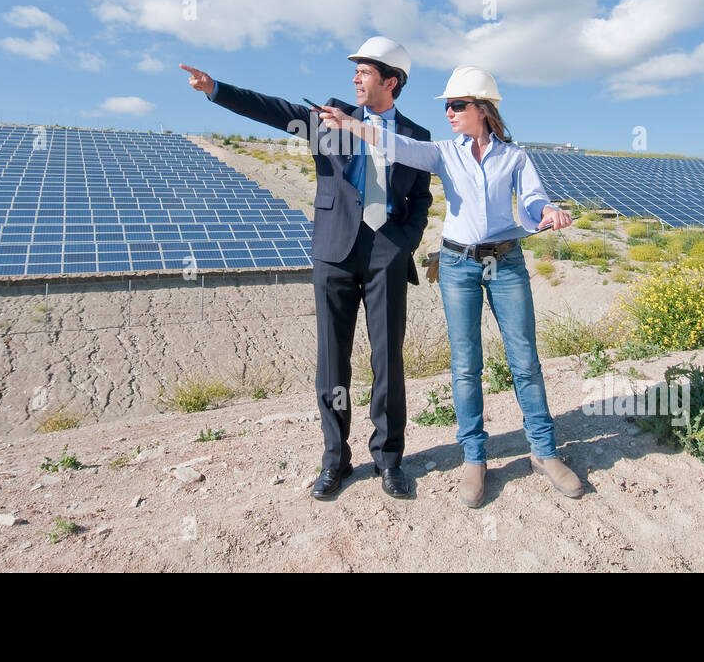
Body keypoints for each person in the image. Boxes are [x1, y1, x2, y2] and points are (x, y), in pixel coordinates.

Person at [317, 65, 584, 508]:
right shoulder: (443, 152)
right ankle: (474, 459)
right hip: (458, 265)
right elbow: (397, 144)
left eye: (458, 105)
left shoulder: (514, 157)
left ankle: (544, 453)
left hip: (507, 262)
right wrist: (352, 125)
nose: (449, 112)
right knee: (465, 365)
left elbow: (533, 198)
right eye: (447, 105)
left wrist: (548, 211)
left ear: (483, 109)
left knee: (525, 360)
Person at [181, 37, 432, 500]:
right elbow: (273, 110)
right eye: (354, 71)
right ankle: (335, 461)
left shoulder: (416, 137)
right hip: (334, 251)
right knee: (332, 362)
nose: (355, 78)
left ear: (391, 81)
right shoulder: (333, 117)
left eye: (364, 71)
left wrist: (404, 244)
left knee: (387, 361)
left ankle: (389, 460)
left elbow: (421, 200)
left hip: (386, 253)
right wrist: (217, 89)